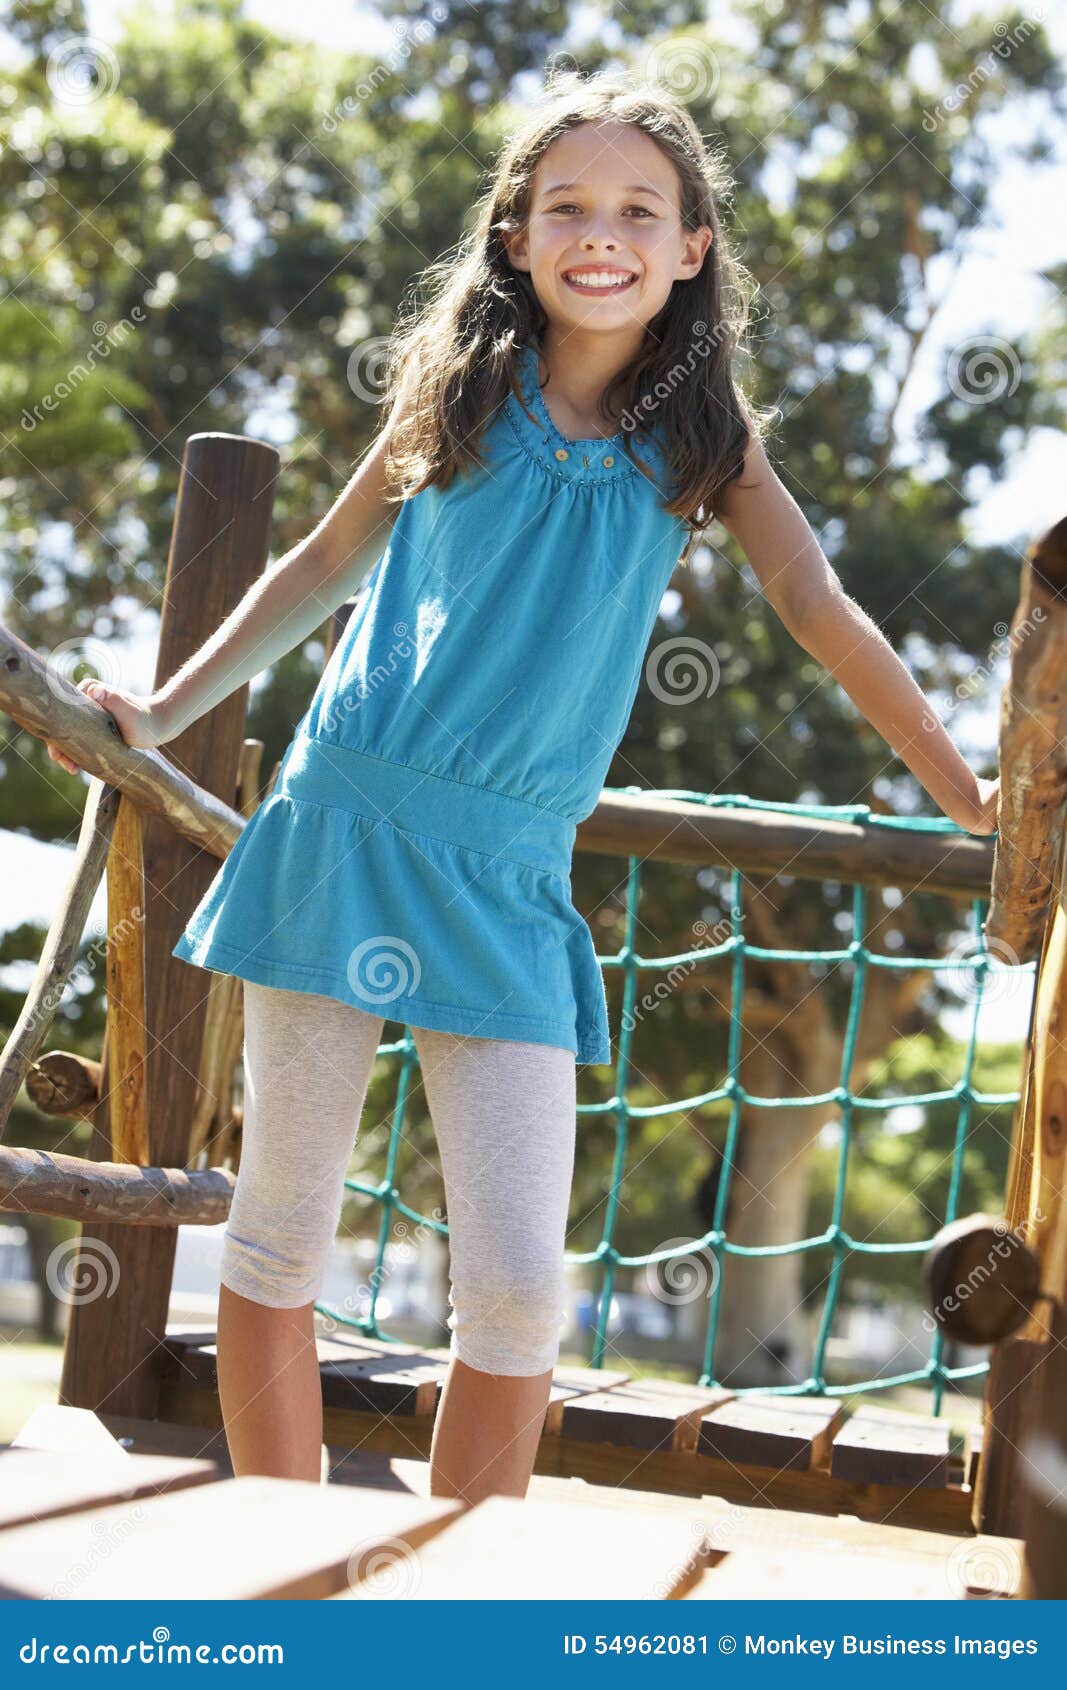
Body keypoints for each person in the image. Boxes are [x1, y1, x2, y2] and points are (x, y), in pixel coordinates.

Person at [47, 71, 999, 1503]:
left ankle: (464, 1609)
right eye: (567, 205)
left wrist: (968, 790)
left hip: (509, 878)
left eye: (638, 209)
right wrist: (165, 708)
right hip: (344, 828)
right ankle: (277, 1562)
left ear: (691, 249)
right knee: (275, 1238)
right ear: (514, 236)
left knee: (512, 1298)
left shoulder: (702, 445)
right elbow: (318, 564)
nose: (598, 233)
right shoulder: (459, 392)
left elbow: (821, 605)